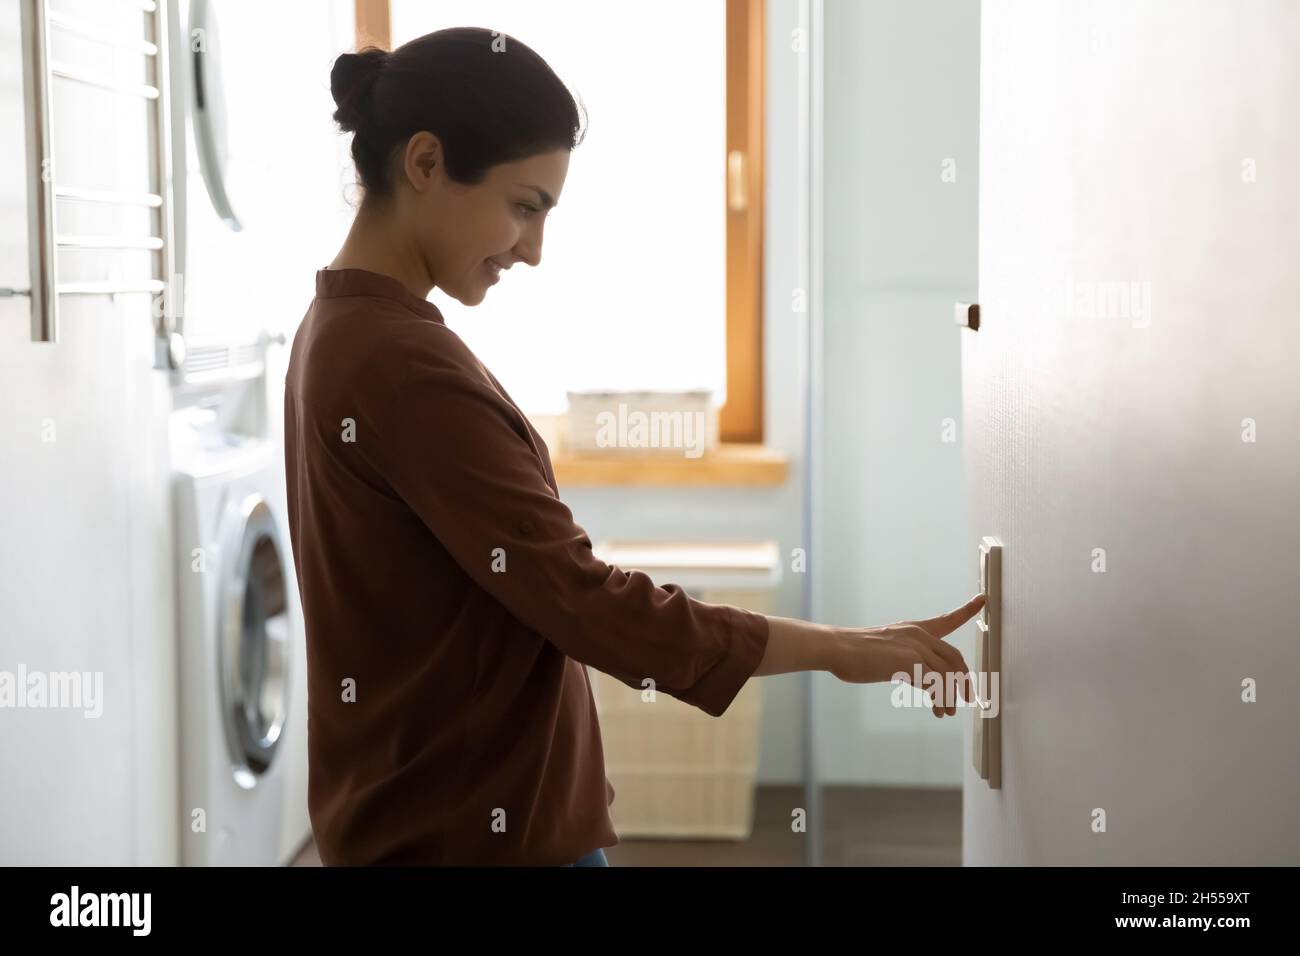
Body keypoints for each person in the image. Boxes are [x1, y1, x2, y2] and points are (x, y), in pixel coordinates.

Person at [283, 26, 983, 867]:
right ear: (426, 163)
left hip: (430, 817)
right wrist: (840, 649)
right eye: (524, 206)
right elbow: (587, 603)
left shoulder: (339, 329)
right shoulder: (400, 363)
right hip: (478, 836)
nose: (533, 251)